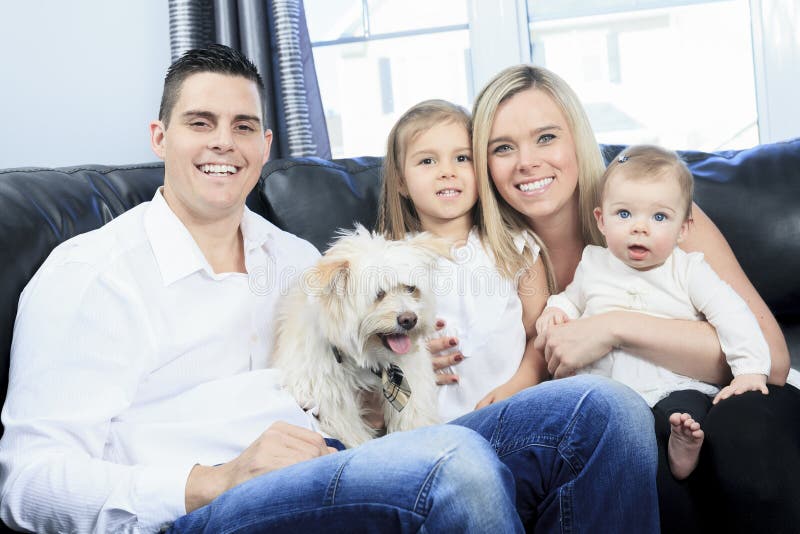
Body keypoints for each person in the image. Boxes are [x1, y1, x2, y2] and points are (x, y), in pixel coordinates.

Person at [0, 45, 660, 533]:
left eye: (241, 127)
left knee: (603, 413)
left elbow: (343, 389)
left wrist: (390, 386)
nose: (222, 144)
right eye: (200, 123)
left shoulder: (297, 258)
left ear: (265, 144)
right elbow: (27, 484)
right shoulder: (94, 274)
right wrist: (213, 482)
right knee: (451, 460)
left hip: (336, 463)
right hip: (204, 509)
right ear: (159, 137)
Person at [471, 63, 800, 533]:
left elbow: (771, 359)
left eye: (546, 137)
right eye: (503, 147)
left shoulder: (655, 212)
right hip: (627, 422)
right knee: (642, 460)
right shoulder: (489, 258)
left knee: (741, 432)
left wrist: (612, 327)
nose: (526, 161)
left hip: (736, 399)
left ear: (577, 139)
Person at [536, 144, 770, 480]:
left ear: (683, 229)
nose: (639, 228)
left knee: (685, 409)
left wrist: (749, 370)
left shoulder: (688, 270)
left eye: (659, 217)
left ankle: (683, 444)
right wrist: (555, 310)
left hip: (671, 382)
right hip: (609, 386)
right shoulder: (594, 263)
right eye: (624, 214)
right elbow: (572, 297)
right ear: (601, 220)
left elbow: (732, 314)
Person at [376, 99, 553, 421]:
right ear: (401, 181)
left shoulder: (516, 248)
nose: (447, 172)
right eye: (427, 161)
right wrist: (407, 369)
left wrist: (519, 385)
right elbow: (372, 369)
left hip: (515, 415)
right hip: (433, 430)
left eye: (462, 158)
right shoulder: (388, 265)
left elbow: (540, 335)